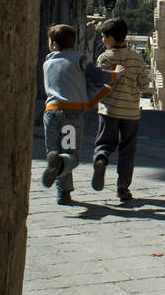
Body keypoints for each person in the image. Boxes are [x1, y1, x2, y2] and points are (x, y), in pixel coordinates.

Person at [42, 24, 124, 206]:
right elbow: (98, 75)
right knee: (69, 155)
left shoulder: (47, 62)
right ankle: (60, 170)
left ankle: (63, 193)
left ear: (54, 45)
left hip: (50, 113)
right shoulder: (80, 59)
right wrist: (115, 75)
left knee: (54, 152)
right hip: (71, 116)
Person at [92, 17, 153, 203]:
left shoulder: (105, 58)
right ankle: (123, 187)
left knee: (105, 143)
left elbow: (98, 82)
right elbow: (144, 84)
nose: (102, 41)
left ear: (110, 38)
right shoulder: (136, 58)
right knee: (128, 150)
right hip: (130, 112)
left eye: (103, 37)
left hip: (109, 110)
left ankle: (101, 160)